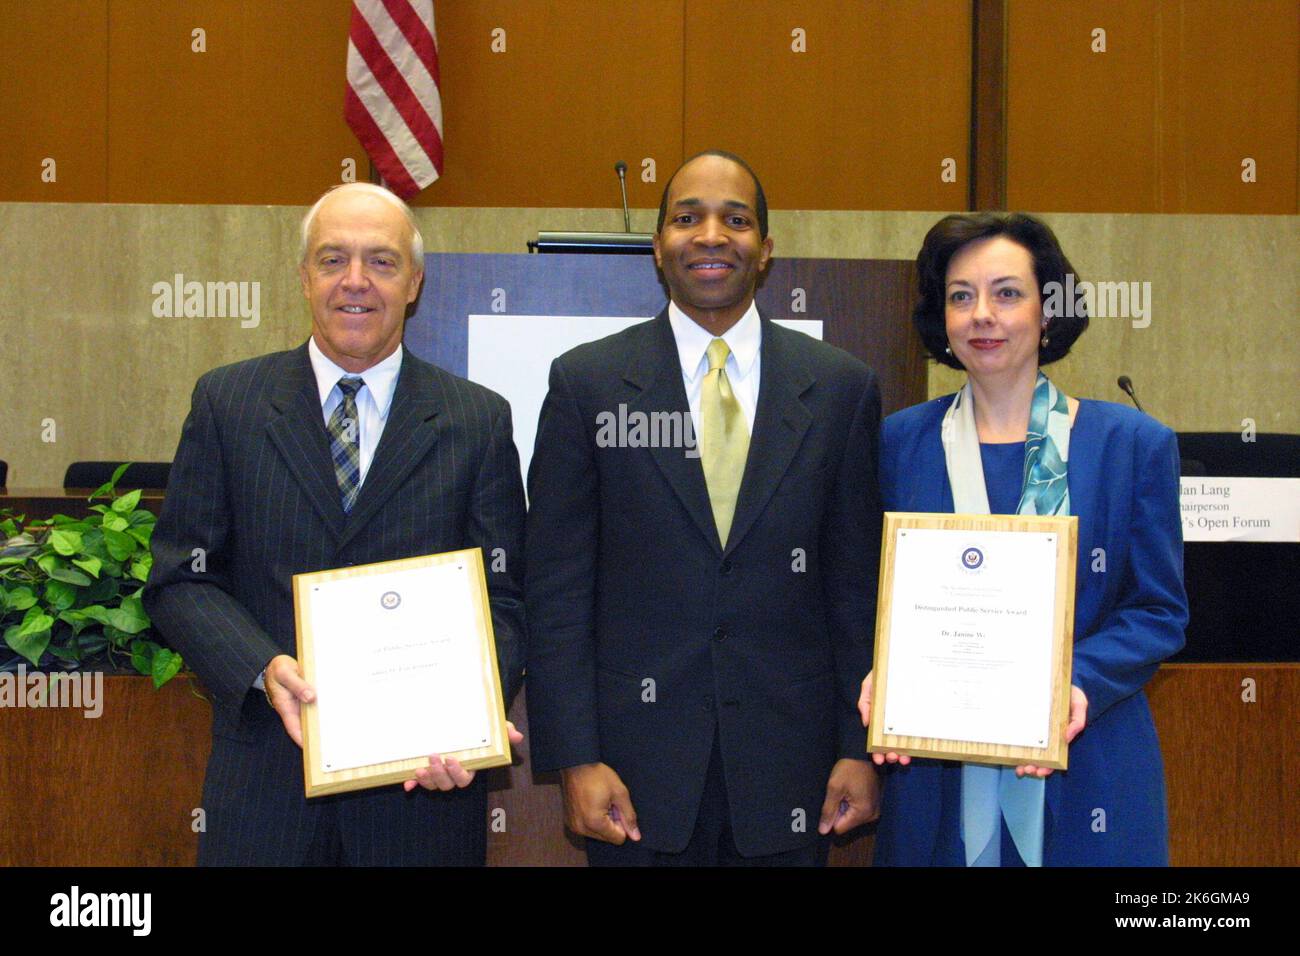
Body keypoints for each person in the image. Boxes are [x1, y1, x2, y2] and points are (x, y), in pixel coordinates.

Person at [143, 182, 526, 866]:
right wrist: (259, 666)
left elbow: (508, 599)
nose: (356, 282)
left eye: (381, 261)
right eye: (332, 259)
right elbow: (181, 580)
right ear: (303, 277)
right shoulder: (228, 402)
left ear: (414, 282)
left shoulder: (478, 419)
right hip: (265, 784)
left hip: (422, 799)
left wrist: (464, 721)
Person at [525, 151, 883, 866]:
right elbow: (556, 589)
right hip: (634, 772)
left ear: (766, 249)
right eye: (687, 218)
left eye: (736, 219)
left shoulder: (842, 389)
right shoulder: (586, 384)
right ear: (658, 247)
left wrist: (859, 747)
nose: (712, 235)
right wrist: (575, 757)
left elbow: (856, 588)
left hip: (794, 771)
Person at [860, 212, 1187, 866]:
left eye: (1007, 293)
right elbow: (871, 594)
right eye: (961, 296)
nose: (983, 314)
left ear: (1048, 312)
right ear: (942, 319)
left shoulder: (1131, 445)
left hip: (1086, 765)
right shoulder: (900, 443)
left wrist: (1076, 684)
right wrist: (884, 674)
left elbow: (1158, 612)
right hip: (933, 773)